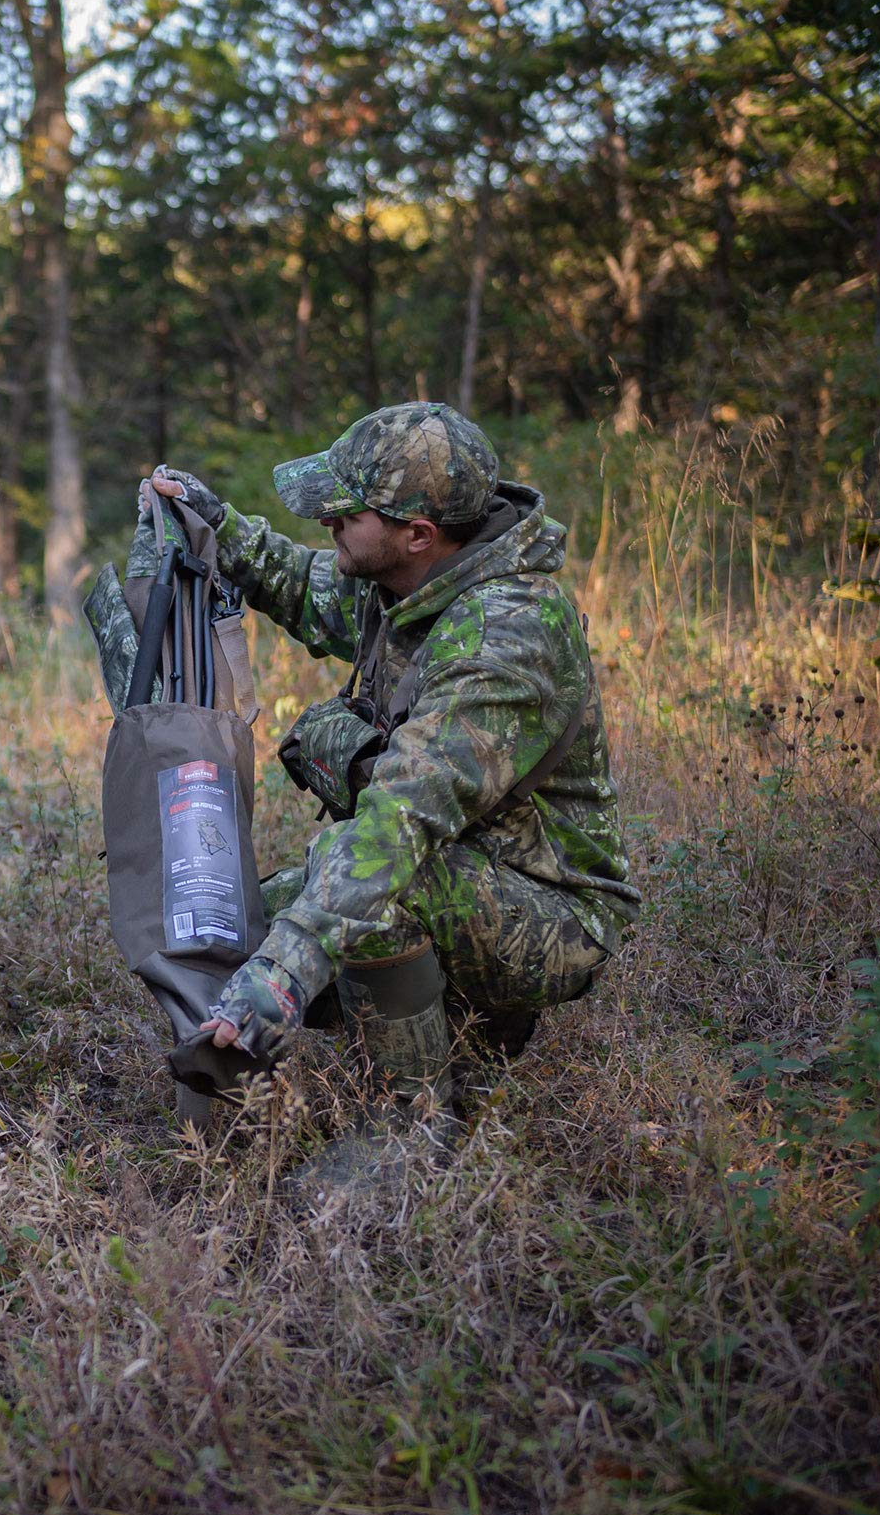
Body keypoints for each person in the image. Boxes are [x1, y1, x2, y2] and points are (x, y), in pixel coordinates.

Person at [133, 403, 638, 1107]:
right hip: (471, 860)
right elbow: (310, 590)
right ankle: (470, 1023)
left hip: (550, 906)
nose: (327, 522)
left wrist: (285, 972)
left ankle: (410, 1128)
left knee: (365, 892)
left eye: (346, 513)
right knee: (242, 924)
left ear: (418, 534)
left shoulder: (504, 638)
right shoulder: (412, 579)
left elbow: (397, 825)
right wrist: (218, 526)